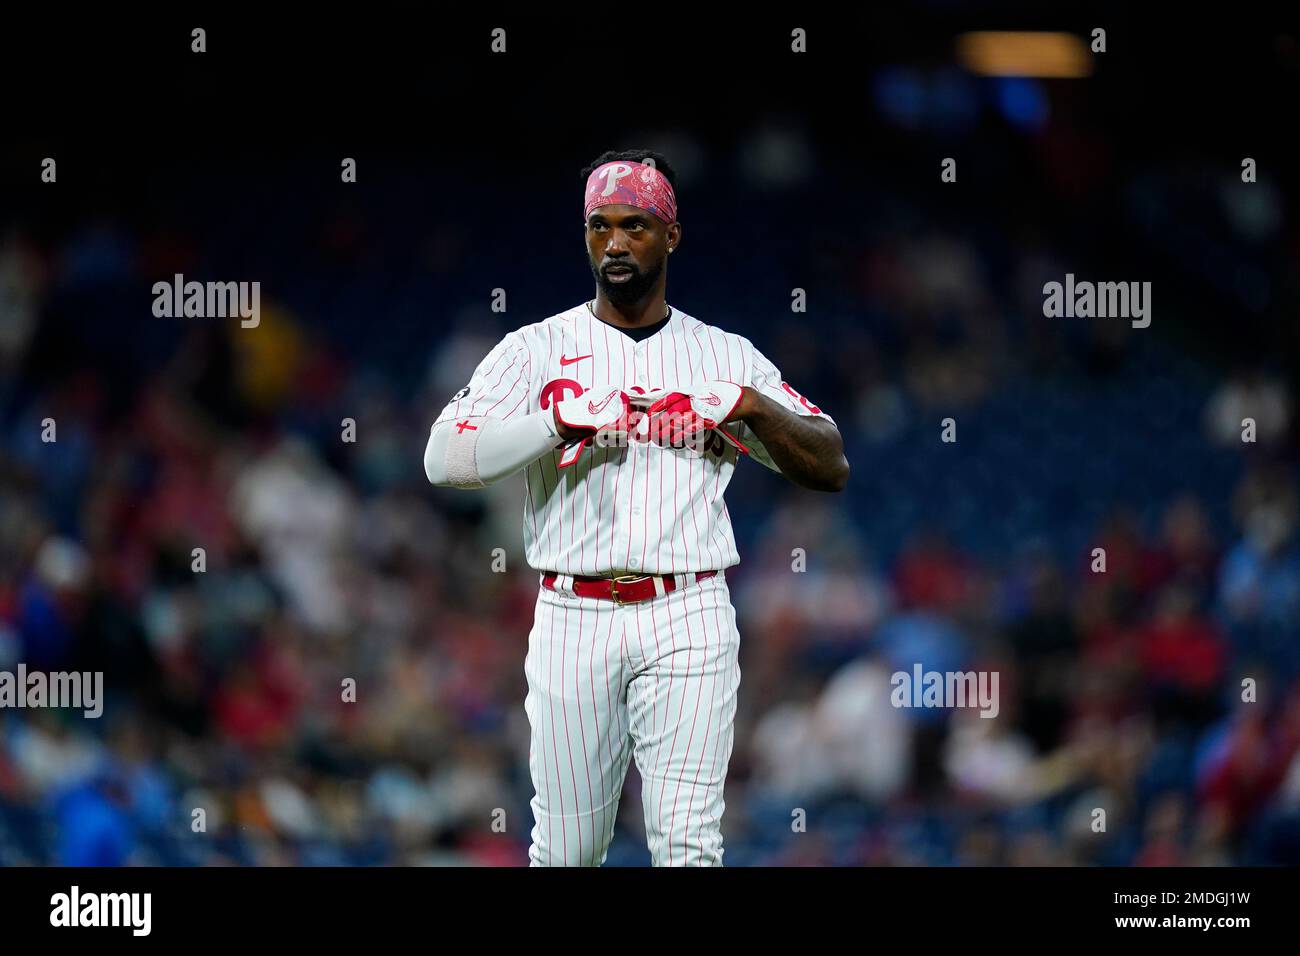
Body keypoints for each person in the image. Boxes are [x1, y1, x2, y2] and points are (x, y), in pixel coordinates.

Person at [424, 149, 849, 865]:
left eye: (635, 225)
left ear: (671, 235)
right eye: (600, 227)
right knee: (568, 851)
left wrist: (744, 408)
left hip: (689, 609)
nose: (615, 243)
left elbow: (829, 461)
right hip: (572, 612)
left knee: (687, 845)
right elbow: (443, 458)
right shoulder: (536, 349)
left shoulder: (725, 355)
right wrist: (556, 423)